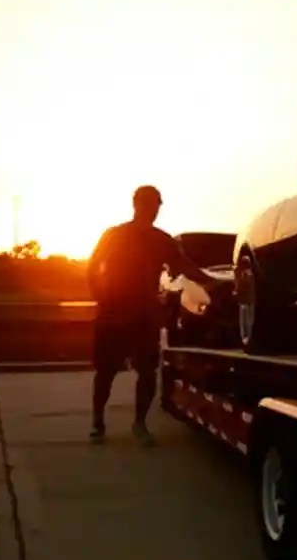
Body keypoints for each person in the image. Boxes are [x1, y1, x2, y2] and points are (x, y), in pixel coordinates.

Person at [86, 185, 222, 446]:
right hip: (112, 313)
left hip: (145, 315)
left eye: (156, 204)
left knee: (148, 372)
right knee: (105, 372)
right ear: (136, 204)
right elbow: (94, 266)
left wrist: (211, 281)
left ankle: (140, 424)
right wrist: (99, 295)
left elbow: (183, 266)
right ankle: (97, 422)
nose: (154, 209)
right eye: (149, 204)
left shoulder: (162, 240)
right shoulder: (114, 235)